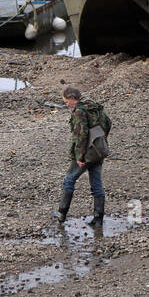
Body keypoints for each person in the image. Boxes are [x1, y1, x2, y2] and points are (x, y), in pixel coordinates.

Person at [57, 85, 110, 227]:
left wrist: (79, 157)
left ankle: (61, 213)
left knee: (69, 179)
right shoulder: (94, 106)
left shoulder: (79, 111)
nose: (66, 104)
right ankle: (98, 219)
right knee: (96, 184)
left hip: (86, 153)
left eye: (66, 101)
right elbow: (107, 123)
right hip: (99, 151)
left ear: (73, 98)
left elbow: (80, 135)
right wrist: (100, 142)